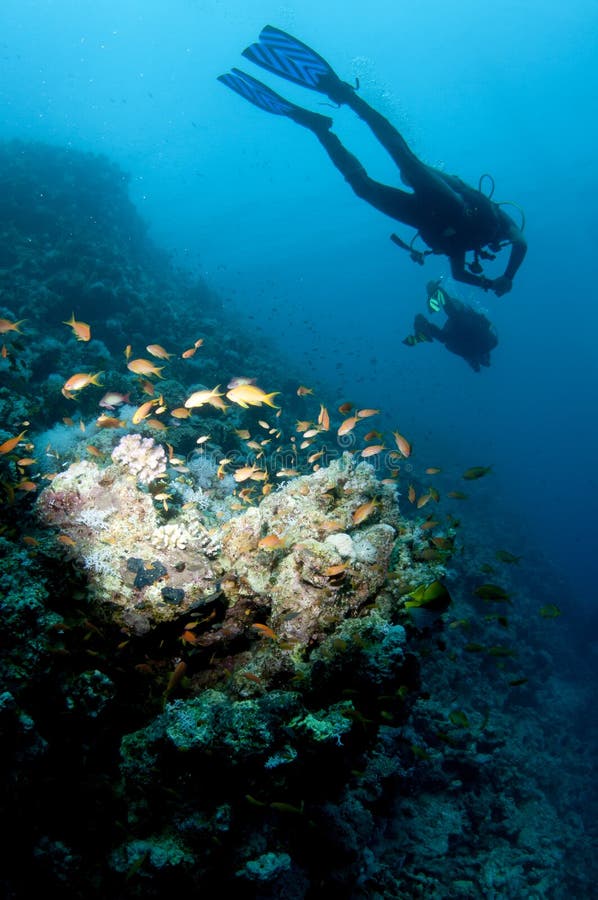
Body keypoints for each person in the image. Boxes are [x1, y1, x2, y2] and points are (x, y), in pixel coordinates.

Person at [219, 26, 527, 297]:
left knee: (363, 188)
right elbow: (521, 244)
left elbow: (459, 275)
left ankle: (317, 127)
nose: (498, 243)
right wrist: (508, 277)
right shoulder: (502, 220)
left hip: (422, 218)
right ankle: (346, 96)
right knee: (405, 159)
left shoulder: (464, 248)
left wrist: (489, 284)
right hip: (451, 204)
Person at [403, 280, 498, 371]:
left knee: (448, 328)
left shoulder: (481, 347)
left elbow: (450, 345)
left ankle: (425, 323)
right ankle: (436, 293)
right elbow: (484, 325)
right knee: (453, 317)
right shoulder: (489, 343)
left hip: (459, 331)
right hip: (466, 327)